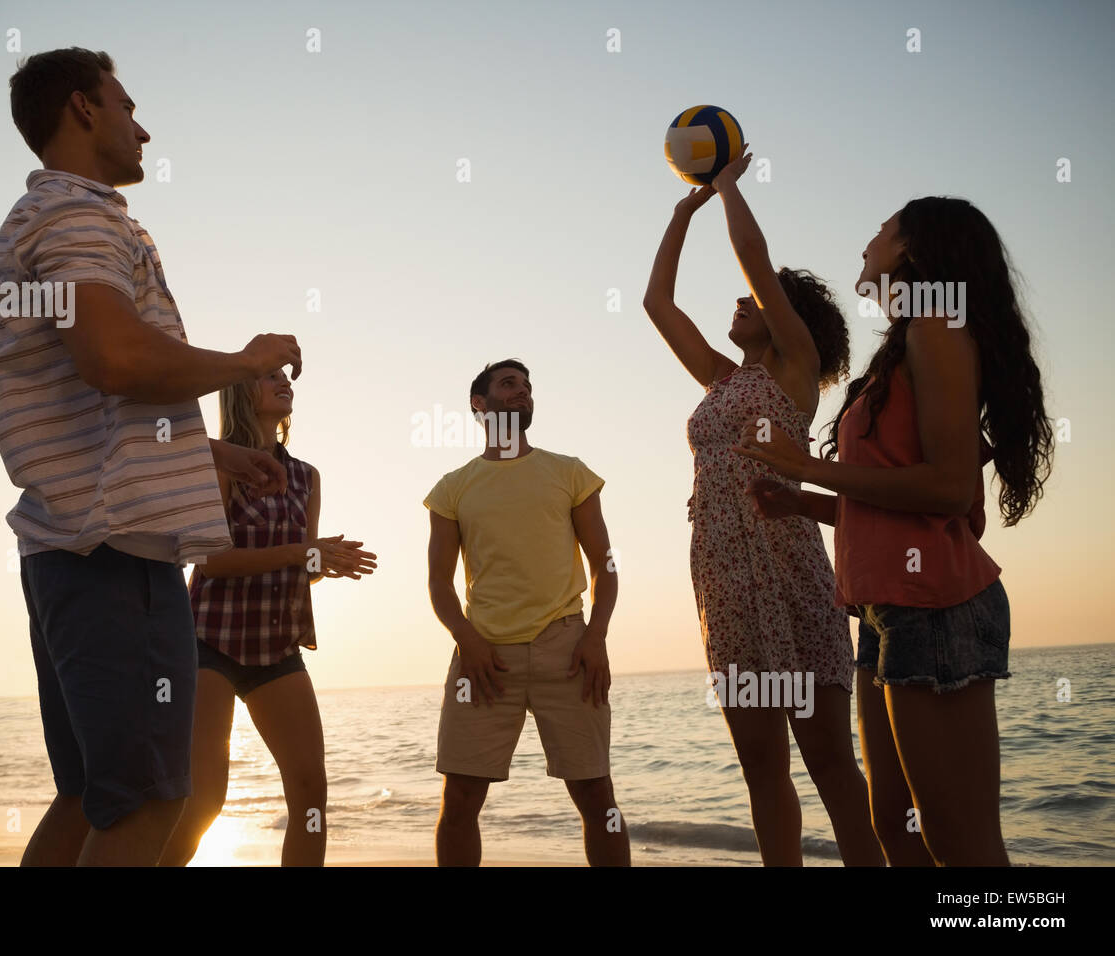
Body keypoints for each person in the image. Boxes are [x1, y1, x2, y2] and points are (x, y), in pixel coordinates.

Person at [0, 47, 300, 866]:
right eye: (127, 105)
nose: (143, 127)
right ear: (85, 110)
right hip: (116, 553)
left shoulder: (45, 217)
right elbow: (114, 359)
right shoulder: (81, 214)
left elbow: (91, 392)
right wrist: (243, 361)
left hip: (68, 547)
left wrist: (210, 453)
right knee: (152, 802)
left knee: (93, 796)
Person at [736, 196, 1053, 866]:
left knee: (957, 840)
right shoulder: (905, 343)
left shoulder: (936, 325)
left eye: (883, 229)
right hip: (884, 613)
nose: (869, 237)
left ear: (912, 248)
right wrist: (802, 505)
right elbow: (894, 503)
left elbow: (943, 486)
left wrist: (809, 469)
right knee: (895, 827)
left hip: (936, 607)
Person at [643, 149, 883, 865]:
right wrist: (683, 214)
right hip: (721, 576)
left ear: (787, 321)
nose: (743, 301)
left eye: (759, 299)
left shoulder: (794, 370)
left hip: (786, 567)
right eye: (748, 297)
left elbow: (753, 254)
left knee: (831, 765)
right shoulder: (720, 379)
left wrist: (727, 188)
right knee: (761, 770)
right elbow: (658, 304)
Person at [160, 368, 376, 866]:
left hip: (278, 646)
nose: (285, 383)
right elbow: (211, 560)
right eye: (269, 378)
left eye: (287, 378)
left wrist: (325, 562)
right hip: (208, 642)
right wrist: (302, 552)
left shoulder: (307, 476)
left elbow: (304, 564)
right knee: (205, 799)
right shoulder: (218, 464)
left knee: (310, 796)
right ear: (239, 390)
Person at [425, 360, 629, 866]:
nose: (522, 392)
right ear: (479, 403)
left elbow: (605, 565)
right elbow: (438, 583)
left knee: (596, 796)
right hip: (483, 656)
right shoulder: (453, 488)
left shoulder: (570, 472)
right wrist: (467, 641)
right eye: (508, 383)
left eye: (527, 386)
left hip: (568, 650)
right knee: (460, 800)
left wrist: (596, 636)